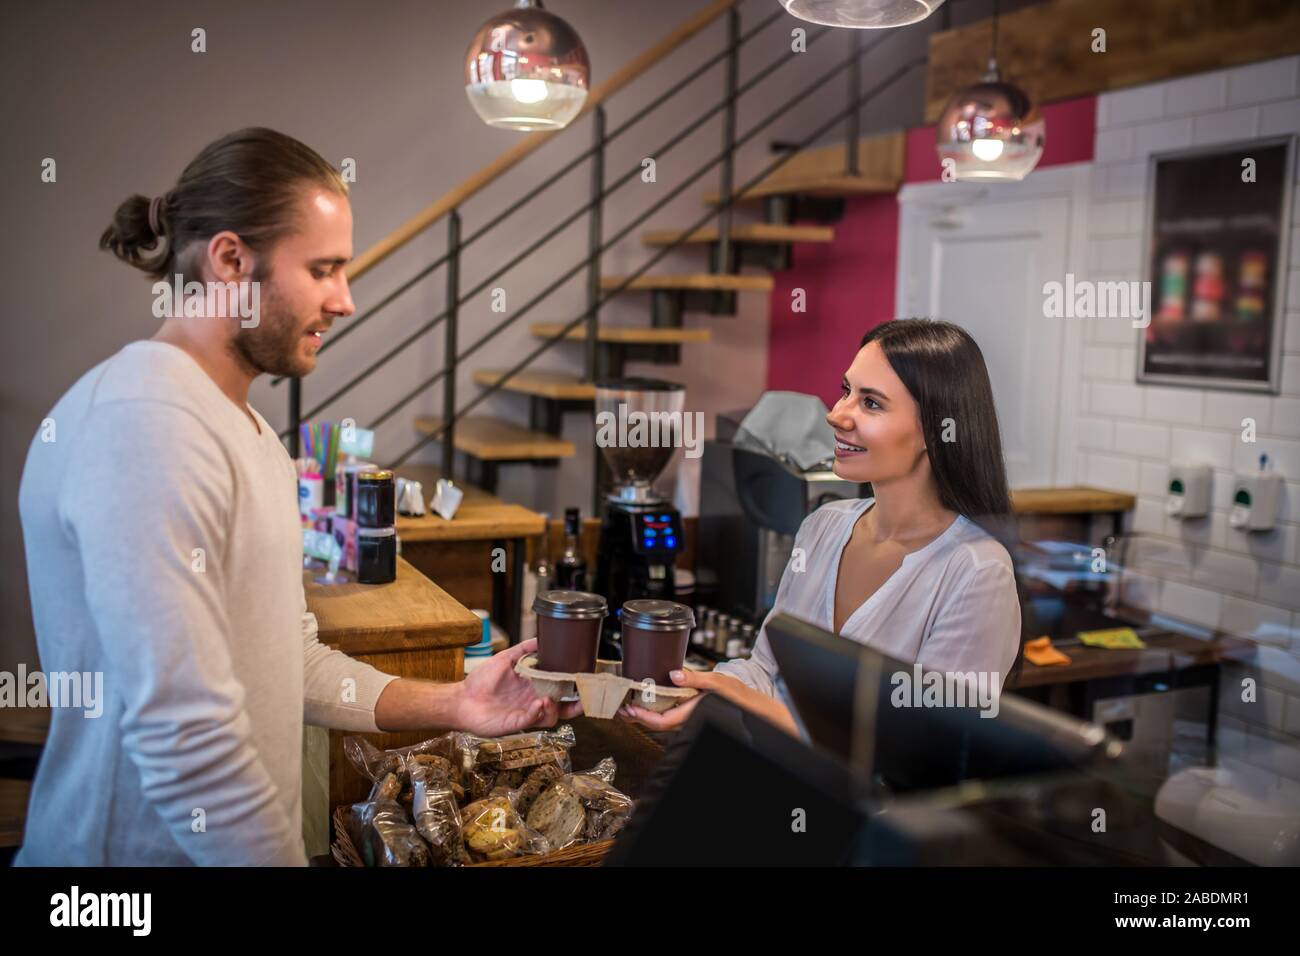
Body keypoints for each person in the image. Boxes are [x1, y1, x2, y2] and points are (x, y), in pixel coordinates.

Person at [16, 128, 576, 866]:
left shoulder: (247, 434)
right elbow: (185, 738)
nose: (344, 301)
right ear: (229, 260)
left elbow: (291, 659)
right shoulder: (145, 427)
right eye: (323, 269)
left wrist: (455, 703)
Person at [619, 318, 1024, 733]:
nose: (836, 414)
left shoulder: (977, 572)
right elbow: (765, 669)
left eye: (871, 403)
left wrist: (745, 702)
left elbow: (920, 752)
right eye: (846, 391)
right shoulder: (823, 528)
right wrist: (699, 687)